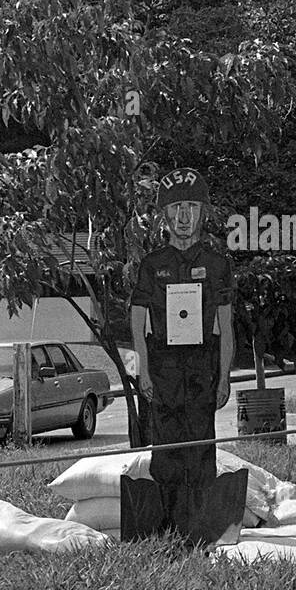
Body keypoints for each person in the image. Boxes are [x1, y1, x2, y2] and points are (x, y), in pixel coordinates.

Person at [122, 167, 248, 547]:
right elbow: (137, 322)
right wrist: (142, 368)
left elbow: (226, 325)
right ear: (163, 214)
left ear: (202, 213)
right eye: (176, 207)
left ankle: (200, 531)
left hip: (201, 367)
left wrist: (224, 375)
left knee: (200, 447)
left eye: (192, 207)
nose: (184, 216)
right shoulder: (151, 263)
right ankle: (166, 533)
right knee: (165, 451)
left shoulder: (216, 263)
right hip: (162, 367)